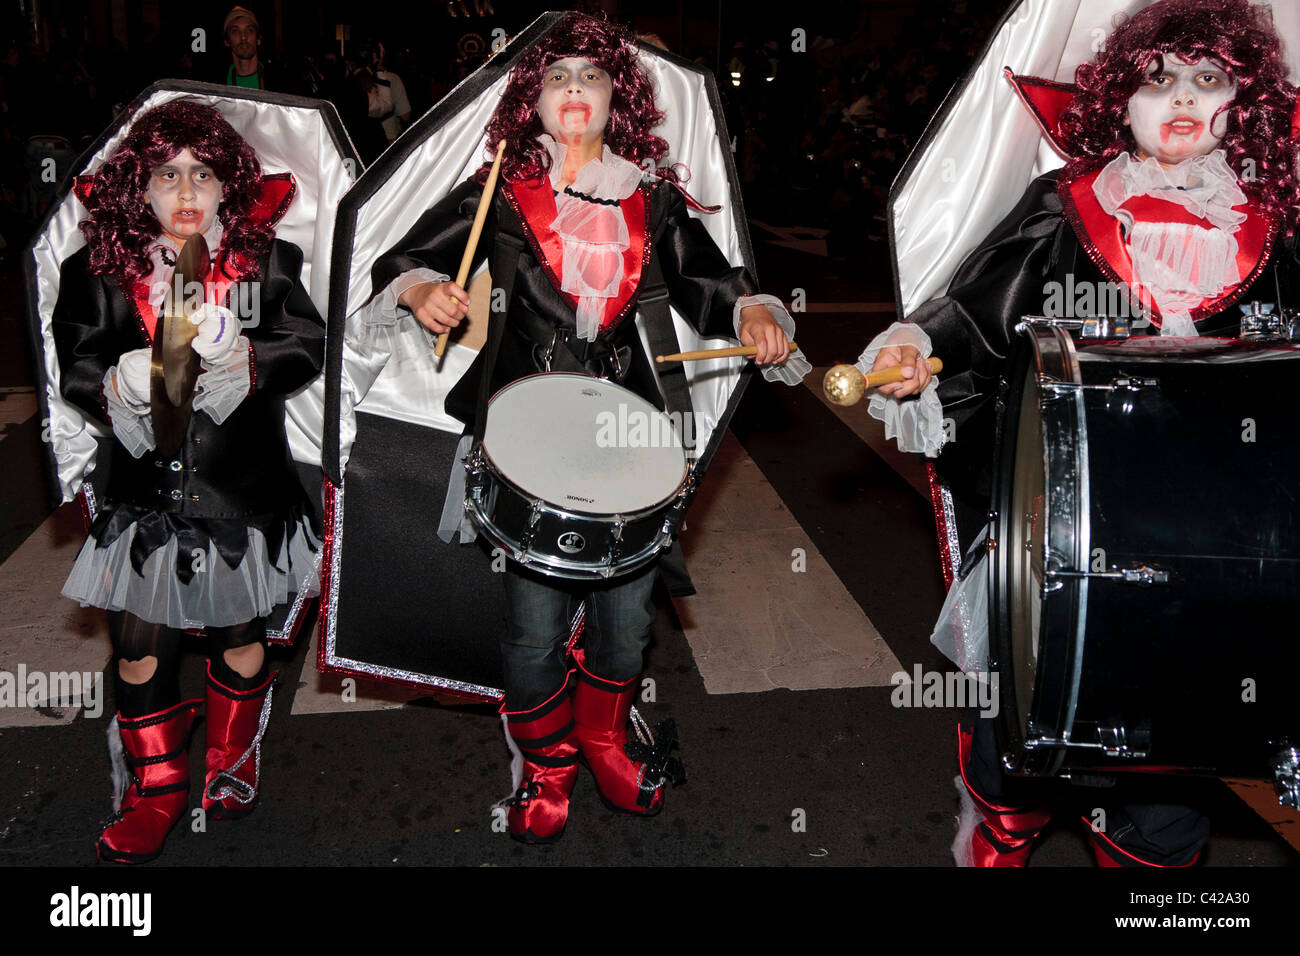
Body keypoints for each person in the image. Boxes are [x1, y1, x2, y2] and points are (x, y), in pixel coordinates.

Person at [860, 0, 1300, 866]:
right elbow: (975, 313)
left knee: (1169, 779)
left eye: (1207, 79)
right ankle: (998, 830)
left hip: (1209, 551)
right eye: (1157, 78)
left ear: (1240, 99)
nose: (1180, 97)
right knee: (1019, 728)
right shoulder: (1070, 207)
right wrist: (920, 348)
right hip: (1062, 520)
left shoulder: (1272, 228)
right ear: (1118, 100)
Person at [369, 13, 805, 844]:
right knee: (531, 624)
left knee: (627, 618)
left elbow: (713, 282)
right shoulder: (500, 184)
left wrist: (751, 309)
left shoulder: (650, 196)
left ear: (619, 97)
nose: (574, 90)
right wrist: (422, 288)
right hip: (523, 427)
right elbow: (402, 259)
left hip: (630, 428)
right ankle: (545, 764)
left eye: (591, 76)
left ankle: (604, 735)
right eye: (556, 75)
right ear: (530, 98)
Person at [52, 100, 325, 863]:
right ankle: (157, 789)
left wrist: (247, 357)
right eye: (166, 174)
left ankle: (233, 759)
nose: (185, 191)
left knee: (242, 643)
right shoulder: (96, 269)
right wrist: (119, 378)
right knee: (140, 652)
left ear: (226, 184)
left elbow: (306, 343)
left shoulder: (263, 261)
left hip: (242, 491)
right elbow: (73, 362)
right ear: (138, 186)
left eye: (202, 174)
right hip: (143, 498)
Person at [223, 6, 270, 90]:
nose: (243, 37)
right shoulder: (215, 83)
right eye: (235, 31)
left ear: (258, 39)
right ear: (227, 41)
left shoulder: (279, 81)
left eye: (249, 30)